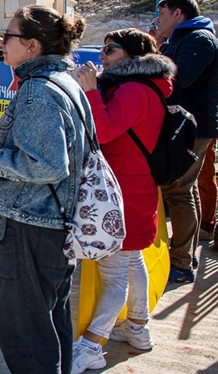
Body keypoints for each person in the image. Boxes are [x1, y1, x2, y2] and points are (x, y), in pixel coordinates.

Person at [0, 5, 90, 374]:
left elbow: (46, 164)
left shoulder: (37, 92)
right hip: (49, 221)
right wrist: (5, 140)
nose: (1, 43)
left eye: (8, 36)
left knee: (25, 335)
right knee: (48, 324)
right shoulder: (63, 82)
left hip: (32, 225)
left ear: (31, 46)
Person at [71, 29, 175, 373]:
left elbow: (104, 130)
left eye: (110, 50)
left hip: (123, 191)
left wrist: (89, 91)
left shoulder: (133, 89)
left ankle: (91, 345)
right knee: (132, 260)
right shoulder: (142, 86)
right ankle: (137, 328)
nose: (102, 56)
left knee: (114, 273)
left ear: (131, 56)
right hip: (133, 185)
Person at [154, 0, 218, 283]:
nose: (158, 21)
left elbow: (179, 79)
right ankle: (185, 254)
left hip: (192, 129)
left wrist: (154, 53)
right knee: (185, 189)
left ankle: (181, 263)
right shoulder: (185, 39)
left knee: (178, 191)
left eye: (163, 14)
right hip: (186, 127)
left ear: (178, 14)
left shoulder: (199, 39)